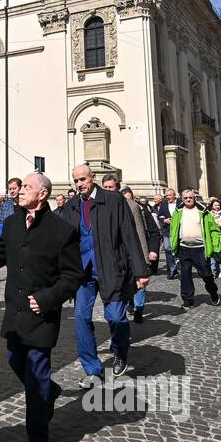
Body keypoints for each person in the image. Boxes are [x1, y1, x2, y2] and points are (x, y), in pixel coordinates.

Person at [0, 172, 84, 442]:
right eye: (20, 186)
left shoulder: (62, 230)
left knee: (35, 381)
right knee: (13, 361)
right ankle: (51, 390)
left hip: (40, 318)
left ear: (43, 194)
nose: (19, 190)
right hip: (15, 316)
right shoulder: (10, 224)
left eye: (26, 187)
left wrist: (47, 299)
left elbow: (73, 276)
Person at [59, 164, 150, 387]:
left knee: (117, 318)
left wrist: (140, 270)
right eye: (76, 181)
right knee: (81, 318)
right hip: (83, 272)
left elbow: (130, 235)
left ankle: (120, 352)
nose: (79, 184)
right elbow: (63, 243)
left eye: (83, 179)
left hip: (111, 268)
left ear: (93, 178)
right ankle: (92, 369)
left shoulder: (114, 200)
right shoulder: (71, 206)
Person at [168, 189, 221, 309]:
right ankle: (188, 299)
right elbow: (174, 229)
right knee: (185, 275)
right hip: (184, 248)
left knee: (206, 274)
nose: (188, 199)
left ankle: (213, 292)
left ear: (194, 198)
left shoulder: (203, 211)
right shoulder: (178, 211)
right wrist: (173, 244)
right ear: (182, 199)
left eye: (190, 197)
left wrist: (216, 246)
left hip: (200, 249)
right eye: (185, 198)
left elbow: (214, 230)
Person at [121, 186, 159, 323]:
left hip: (141, 251)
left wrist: (153, 250)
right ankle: (130, 304)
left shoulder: (142, 210)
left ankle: (139, 309)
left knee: (140, 281)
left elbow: (154, 232)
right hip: (123, 254)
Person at [155, 188, 181, 278]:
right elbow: (159, 216)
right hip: (167, 230)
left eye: (169, 195)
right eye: (166, 196)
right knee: (167, 248)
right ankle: (172, 269)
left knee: (179, 249)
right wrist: (164, 220)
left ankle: (180, 269)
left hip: (179, 230)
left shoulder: (181, 202)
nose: (168, 197)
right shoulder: (164, 204)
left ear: (174, 195)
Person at [207, 197, 221, 278]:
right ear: (212, 206)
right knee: (212, 256)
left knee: (220, 255)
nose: (217, 207)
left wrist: (216, 222)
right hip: (211, 238)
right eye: (215, 205)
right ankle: (213, 271)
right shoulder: (208, 214)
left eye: (218, 205)